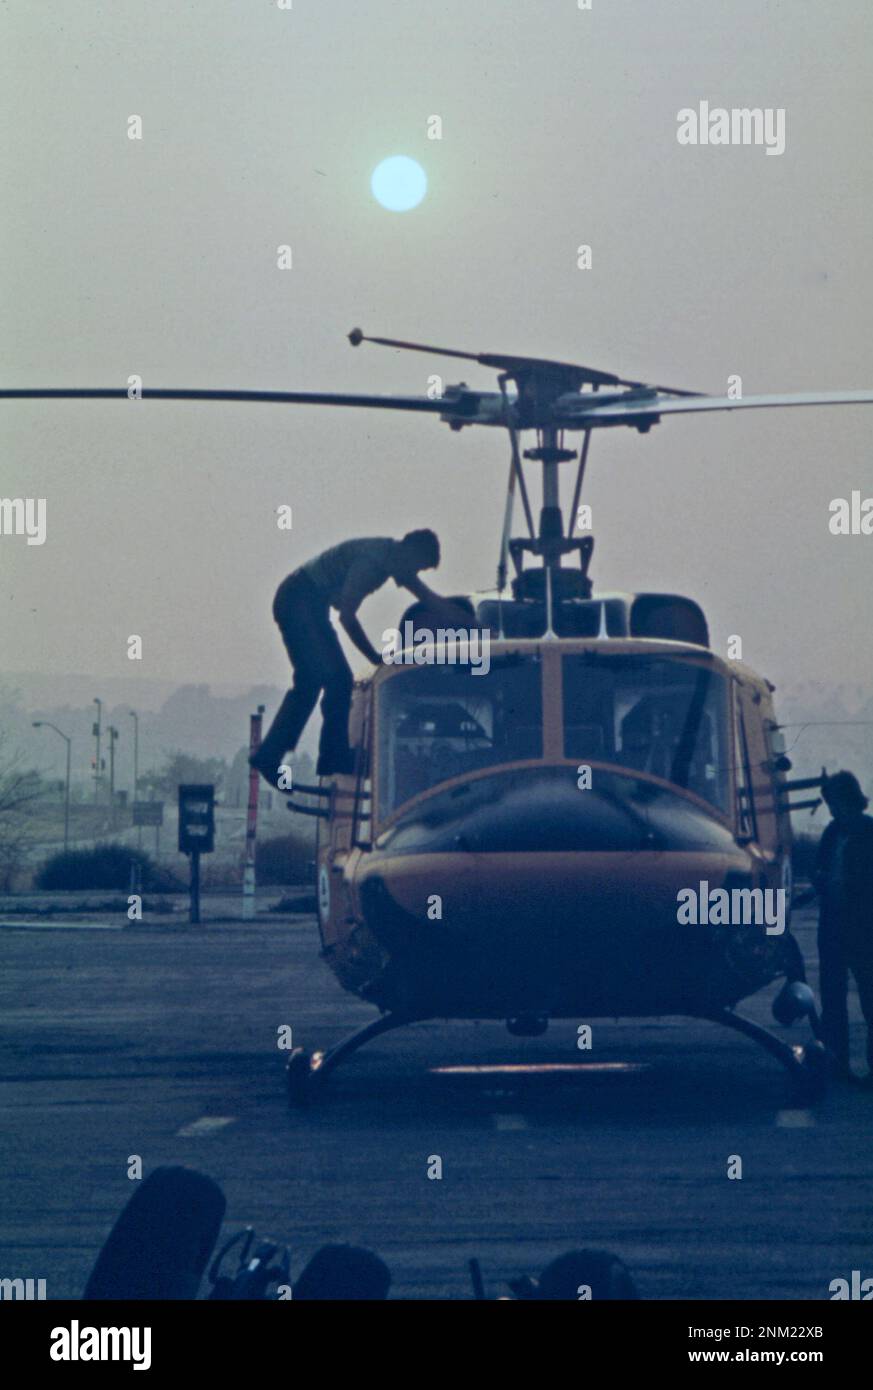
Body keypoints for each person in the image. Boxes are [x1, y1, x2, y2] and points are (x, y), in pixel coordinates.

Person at [251, 530, 466, 784]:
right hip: (299, 601)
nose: (414, 575)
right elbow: (347, 617)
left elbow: (430, 599)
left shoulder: (393, 558)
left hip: (306, 603)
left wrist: (473, 624)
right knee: (328, 679)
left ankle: (299, 754)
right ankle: (327, 754)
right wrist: (374, 657)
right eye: (417, 568)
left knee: (323, 681)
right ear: (410, 552)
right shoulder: (372, 563)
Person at [812, 770, 873, 1084]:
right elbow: (818, 870)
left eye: (834, 803)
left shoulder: (867, 832)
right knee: (833, 999)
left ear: (849, 800)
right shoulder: (833, 832)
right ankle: (837, 1063)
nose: (832, 810)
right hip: (835, 925)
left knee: (868, 998)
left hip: (862, 926)